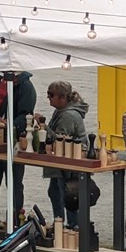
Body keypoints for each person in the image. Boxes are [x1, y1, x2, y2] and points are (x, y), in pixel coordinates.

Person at [0, 71, 36, 222]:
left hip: (13, 142)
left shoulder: (26, 86)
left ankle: (16, 221)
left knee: (14, 185)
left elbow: (26, 115)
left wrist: (10, 125)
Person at [35, 80, 88, 227]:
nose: (49, 98)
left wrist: (43, 127)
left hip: (69, 162)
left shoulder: (68, 115)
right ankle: (60, 223)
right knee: (55, 192)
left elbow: (59, 141)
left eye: (51, 95)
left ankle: (72, 226)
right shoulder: (61, 110)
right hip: (64, 161)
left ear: (63, 98)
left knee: (69, 195)